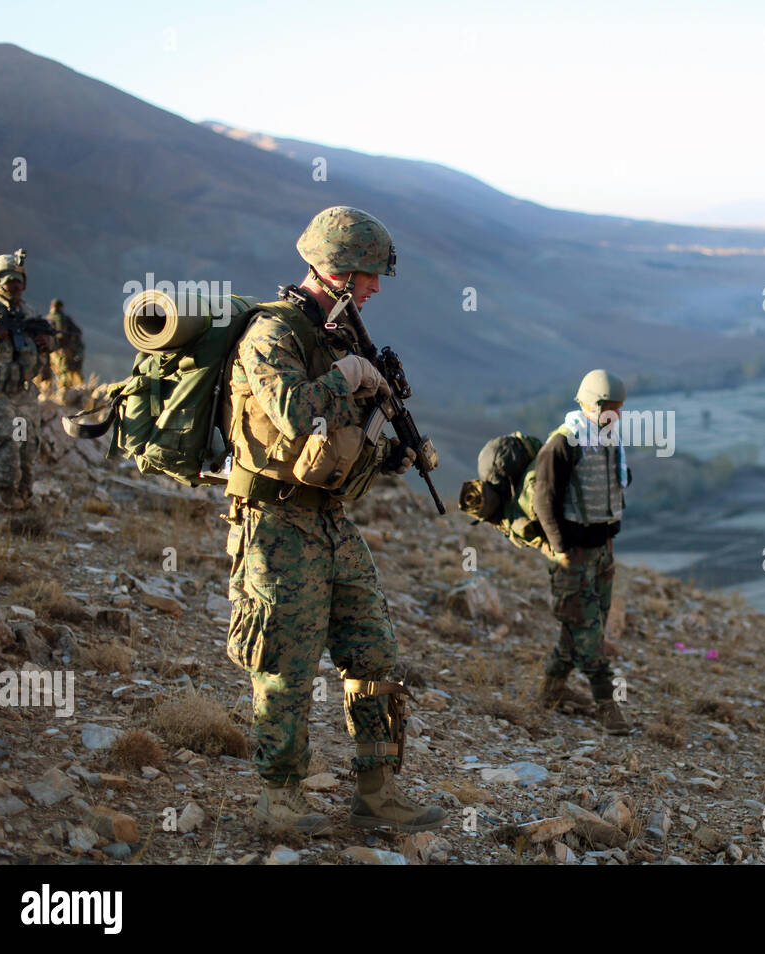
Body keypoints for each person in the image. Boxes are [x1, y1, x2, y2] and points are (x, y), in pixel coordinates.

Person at [224, 206, 445, 833]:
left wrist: (395, 451)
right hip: (273, 519)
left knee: (374, 650)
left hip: (329, 519)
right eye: (369, 276)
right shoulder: (272, 335)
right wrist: (350, 377)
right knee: (286, 664)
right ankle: (281, 802)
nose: (376, 288)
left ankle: (377, 793)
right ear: (337, 270)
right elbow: (296, 413)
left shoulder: (340, 335)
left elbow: (340, 438)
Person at [533, 369, 632, 735]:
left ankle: (550, 691)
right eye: (610, 407)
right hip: (573, 555)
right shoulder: (563, 443)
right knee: (589, 632)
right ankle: (607, 705)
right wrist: (561, 551)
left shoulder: (609, 441)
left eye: (619, 409)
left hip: (603, 551)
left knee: (582, 626)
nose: (616, 415)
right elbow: (544, 500)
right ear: (592, 405)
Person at [0, 249, 53, 510]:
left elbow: (45, 350)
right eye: (10, 280)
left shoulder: (29, 313)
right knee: (8, 441)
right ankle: (9, 498)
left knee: (28, 445)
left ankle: (25, 496)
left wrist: (45, 344)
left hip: (24, 393)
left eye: (19, 280)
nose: (15, 286)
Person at [44, 299, 84, 386]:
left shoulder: (47, 318)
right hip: (63, 351)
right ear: (61, 307)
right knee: (67, 374)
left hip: (50, 351)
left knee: (55, 374)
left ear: (51, 307)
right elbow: (77, 333)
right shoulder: (63, 318)